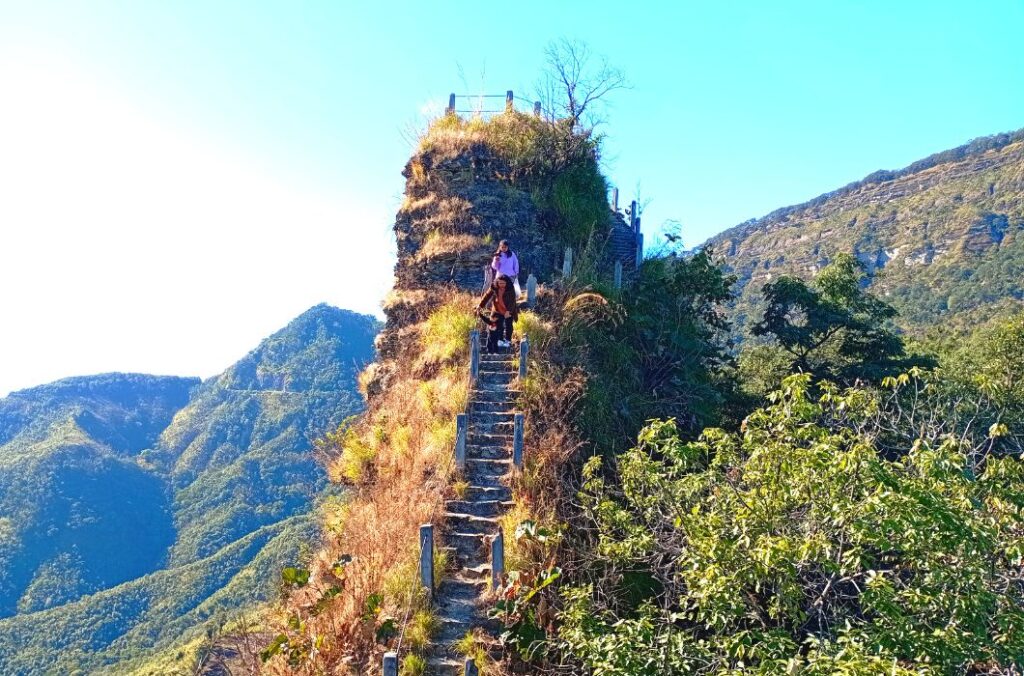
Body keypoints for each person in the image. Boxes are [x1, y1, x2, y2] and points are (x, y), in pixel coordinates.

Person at [477, 274, 518, 352]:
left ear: (507, 283)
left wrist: (508, 311)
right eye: (500, 283)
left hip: (508, 309)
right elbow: (487, 296)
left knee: (509, 325)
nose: (501, 285)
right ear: (497, 283)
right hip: (497, 309)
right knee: (499, 325)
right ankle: (500, 339)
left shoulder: (510, 288)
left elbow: (512, 301)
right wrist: (480, 306)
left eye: (503, 283)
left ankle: (508, 340)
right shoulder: (494, 287)